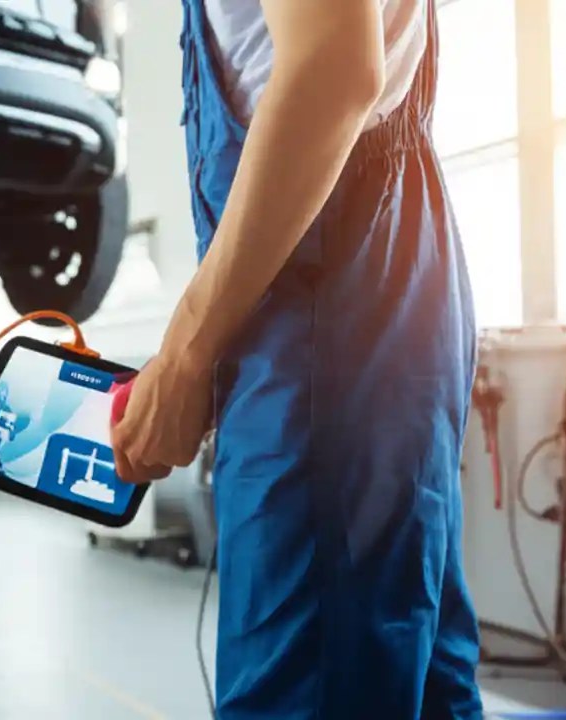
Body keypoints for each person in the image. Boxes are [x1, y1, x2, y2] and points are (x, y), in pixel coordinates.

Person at [109, 1, 483, 718]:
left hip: (323, 294)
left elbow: (332, 72)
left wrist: (185, 356)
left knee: (310, 679)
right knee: (414, 662)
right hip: (374, 273)